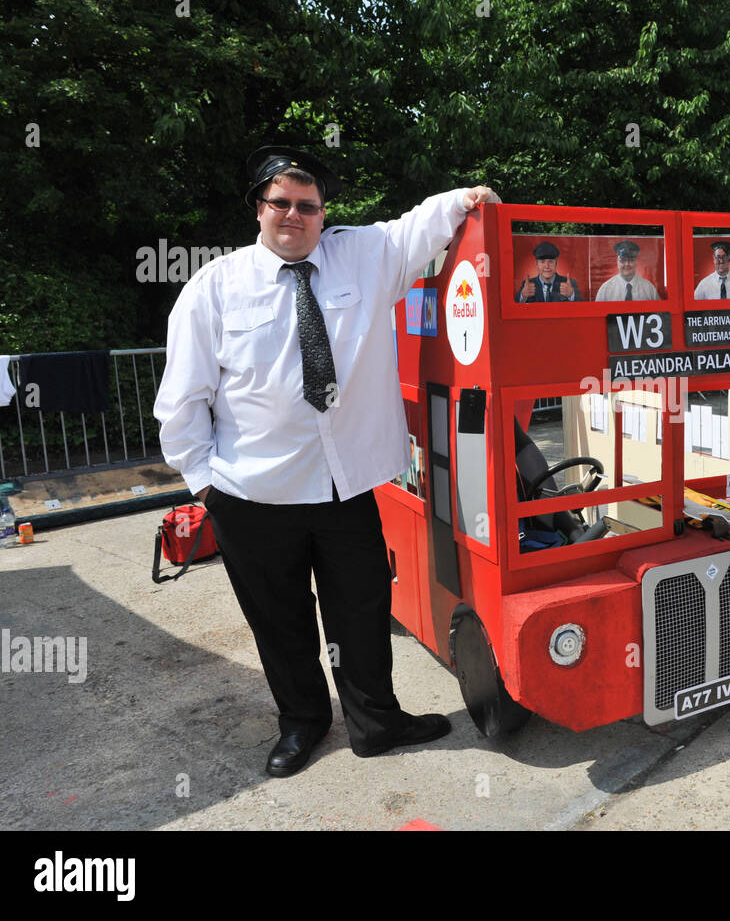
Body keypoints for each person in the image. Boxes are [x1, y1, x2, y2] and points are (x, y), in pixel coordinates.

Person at [154, 144, 499, 777]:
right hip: (253, 495)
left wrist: (468, 200)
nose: (294, 215)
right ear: (258, 208)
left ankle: (376, 722)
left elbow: (418, 226)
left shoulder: (361, 256)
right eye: (279, 203)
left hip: (345, 490)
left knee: (362, 610)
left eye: (307, 206)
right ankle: (303, 724)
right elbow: (181, 399)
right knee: (280, 622)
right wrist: (206, 486)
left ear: (322, 211)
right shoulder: (215, 287)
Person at [517, 241, 582, 302]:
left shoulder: (569, 283)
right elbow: (513, 306)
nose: (547, 266)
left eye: (550, 261)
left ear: (556, 263)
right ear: (536, 264)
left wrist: (571, 295)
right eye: (542, 262)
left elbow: (583, 307)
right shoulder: (527, 285)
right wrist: (523, 296)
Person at [594, 240, 659, 301]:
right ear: (617, 262)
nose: (627, 264)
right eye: (623, 260)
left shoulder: (648, 288)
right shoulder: (605, 289)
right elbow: (597, 312)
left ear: (636, 262)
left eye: (631, 260)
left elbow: (659, 312)